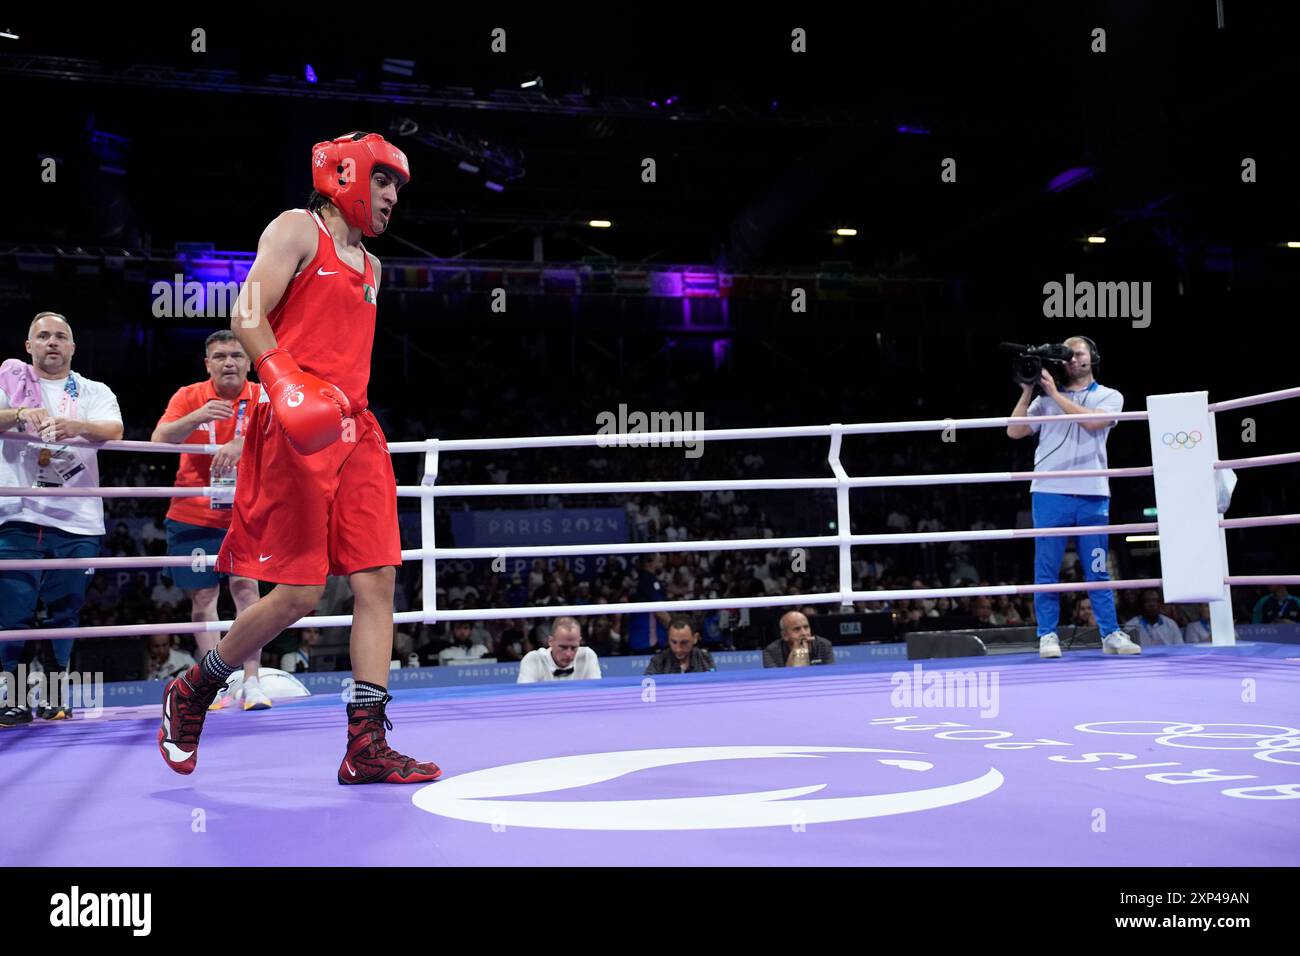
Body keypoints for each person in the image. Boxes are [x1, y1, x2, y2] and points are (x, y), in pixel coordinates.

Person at [156, 132, 440, 784]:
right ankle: (195, 686)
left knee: (376, 580)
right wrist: (282, 379)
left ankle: (366, 744)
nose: (393, 196)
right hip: (293, 427)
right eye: (385, 181)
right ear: (346, 174)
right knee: (300, 594)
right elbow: (247, 309)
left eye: (398, 186)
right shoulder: (296, 229)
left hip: (356, 430)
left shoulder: (372, 266)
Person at [0, 312, 123, 727]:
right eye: (43, 336)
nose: (52, 342)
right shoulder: (8, 382)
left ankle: (53, 694)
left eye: (61, 337)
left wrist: (77, 426)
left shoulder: (93, 389)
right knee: (12, 610)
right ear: (28, 345)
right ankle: (11, 698)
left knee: (64, 611)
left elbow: (115, 429)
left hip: (77, 518)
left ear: (72, 347)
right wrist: (18, 415)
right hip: (17, 512)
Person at [152, 330, 268, 710]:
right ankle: (211, 684)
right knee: (204, 598)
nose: (229, 362)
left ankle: (252, 682)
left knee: (247, 594)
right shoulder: (188, 396)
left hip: (247, 513)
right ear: (208, 364)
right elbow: (159, 440)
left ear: (249, 362)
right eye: (219, 356)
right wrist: (198, 415)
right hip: (193, 515)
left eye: (236, 355)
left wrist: (243, 442)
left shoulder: (264, 396)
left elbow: (288, 442)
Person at [1007, 335, 1140, 659]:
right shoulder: (1045, 400)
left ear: (1091, 358)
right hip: (1049, 492)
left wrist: (1053, 393)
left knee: (1098, 568)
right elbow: (1014, 430)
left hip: (1092, 493)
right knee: (1046, 569)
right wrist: (1028, 390)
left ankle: (1110, 633)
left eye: (1076, 353)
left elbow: (1093, 422)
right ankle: (1047, 635)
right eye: (1064, 354)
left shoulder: (1110, 396)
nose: (1069, 359)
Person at [517, 617, 602, 682]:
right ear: (550, 641)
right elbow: (525, 698)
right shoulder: (533, 659)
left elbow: (596, 695)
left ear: (579, 642)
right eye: (563, 647)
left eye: (574, 648)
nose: (568, 654)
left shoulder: (588, 655)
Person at [625, 553, 670, 652]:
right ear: (650, 561)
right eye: (659, 560)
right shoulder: (649, 581)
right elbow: (660, 612)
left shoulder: (637, 580)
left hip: (635, 639)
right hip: (648, 641)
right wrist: (676, 630)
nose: (661, 563)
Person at [645, 617, 716, 675]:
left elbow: (712, 686)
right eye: (674, 642)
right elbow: (647, 688)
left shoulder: (704, 658)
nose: (678, 649)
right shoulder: (658, 662)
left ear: (695, 638)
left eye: (684, 643)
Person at [763, 611, 835, 668]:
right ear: (785, 635)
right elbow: (777, 680)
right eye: (797, 629)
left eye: (806, 627)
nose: (804, 633)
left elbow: (830, 674)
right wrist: (795, 652)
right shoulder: (770, 651)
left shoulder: (824, 645)